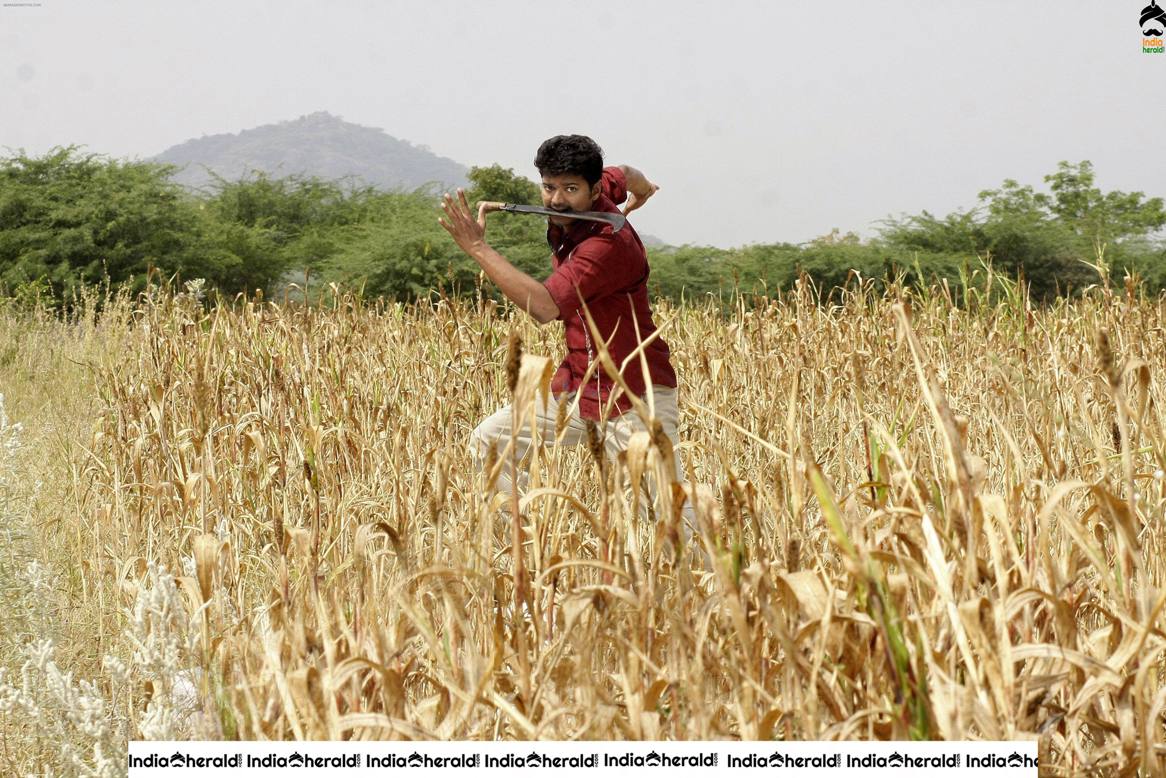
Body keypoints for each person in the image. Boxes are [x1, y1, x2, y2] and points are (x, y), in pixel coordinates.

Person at [438, 134, 695, 548]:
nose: (557, 200)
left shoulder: (606, 246)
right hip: (579, 387)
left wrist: (477, 247)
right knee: (490, 440)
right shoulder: (599, 187)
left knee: (666, 515)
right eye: (549, 187)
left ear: (593, 191)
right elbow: (625, 174)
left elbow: (543, 307)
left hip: (635, 394)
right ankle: (529, 557)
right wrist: (644, 190)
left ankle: (710, 598)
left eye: (570, 190)